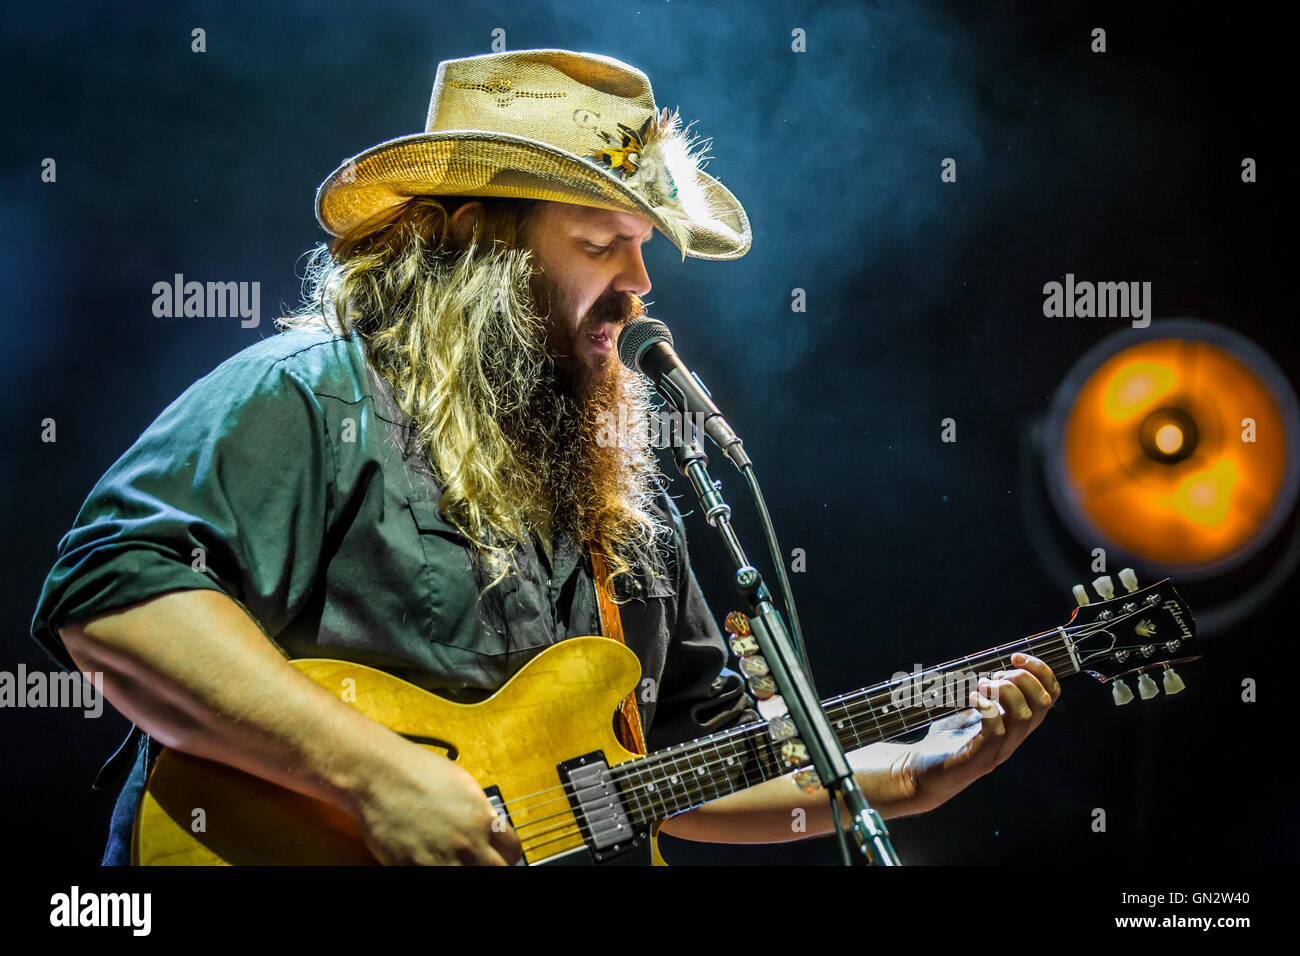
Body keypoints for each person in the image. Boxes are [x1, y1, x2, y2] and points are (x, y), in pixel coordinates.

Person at [30, 49, 1059, 866]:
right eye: (601, 241)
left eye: (643, 248)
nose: (639, 283)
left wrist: (915, 775)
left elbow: (681, 766)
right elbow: (112, 591)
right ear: (476, 241)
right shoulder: (315, 389)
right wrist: (372, 778)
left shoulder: (614, 485)